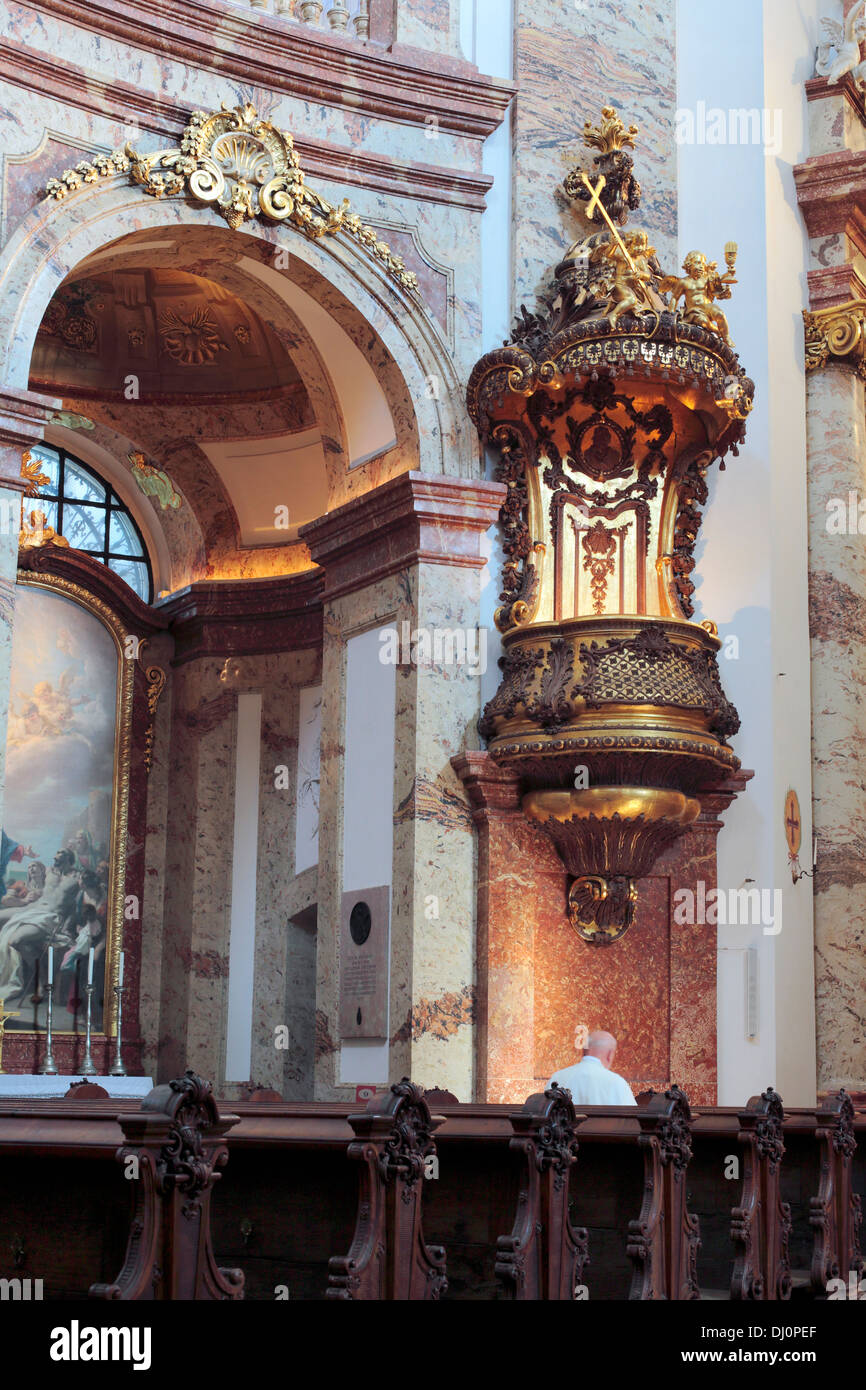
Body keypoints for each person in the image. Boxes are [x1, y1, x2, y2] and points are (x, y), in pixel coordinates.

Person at [549, 1029, 636, 1106]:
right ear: (610, 1054)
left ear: (584, 1051)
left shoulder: (557, 1078)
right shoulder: (617, 1083)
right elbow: (632, 1121)